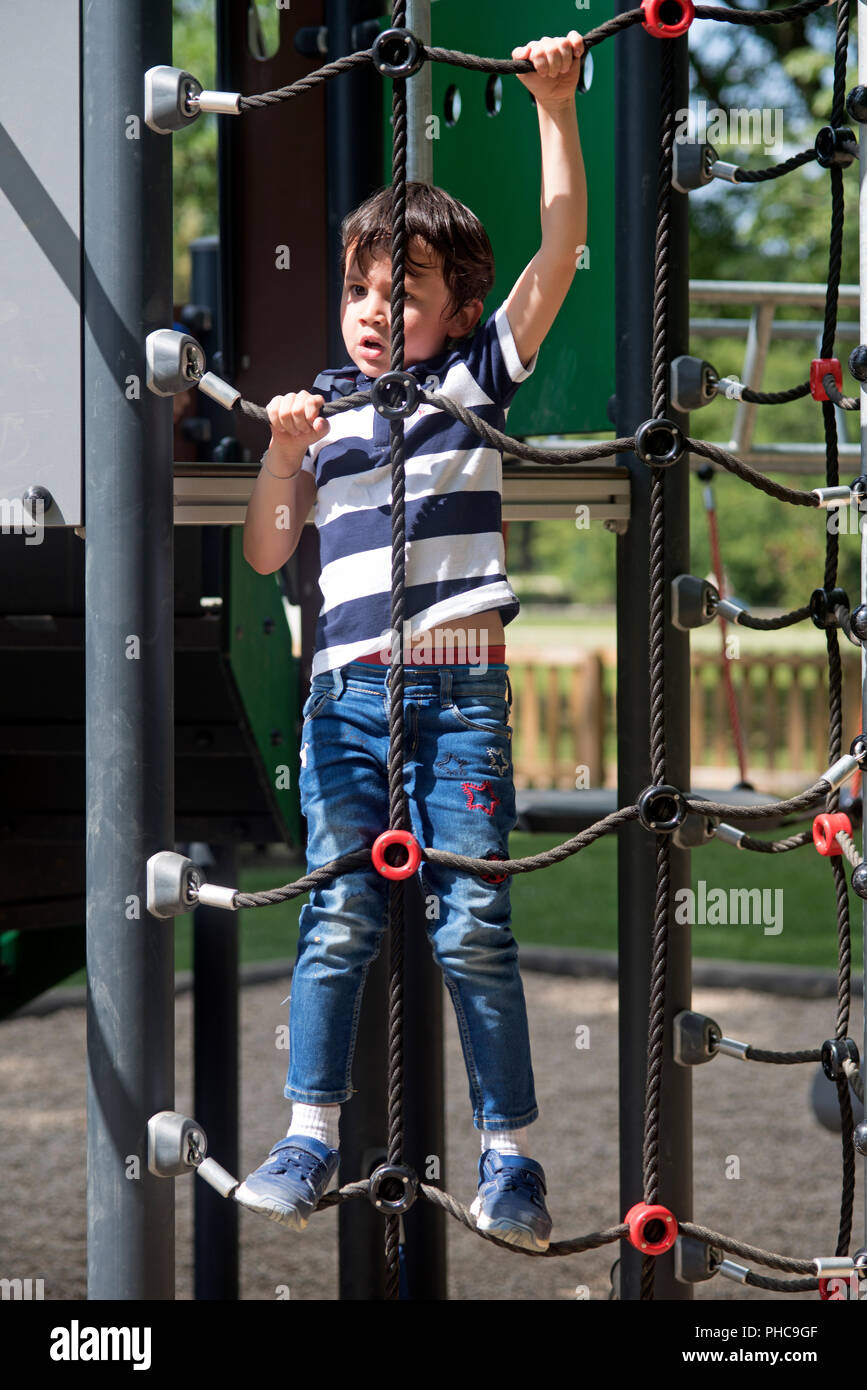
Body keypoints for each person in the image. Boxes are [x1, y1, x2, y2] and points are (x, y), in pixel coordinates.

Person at [237, 31, 587, 1254]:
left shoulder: (474, 384)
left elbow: (559, 253)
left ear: (459, 309)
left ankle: (510, 1160)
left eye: (409, 291)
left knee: (471, 922)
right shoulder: (321, 412)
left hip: (457, 695)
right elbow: (271, 554)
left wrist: (554, 107)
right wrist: (282, 455)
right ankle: (309, 1129)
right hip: (342, 700)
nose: (380, 311)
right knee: (336, 915)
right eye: (362, 290)